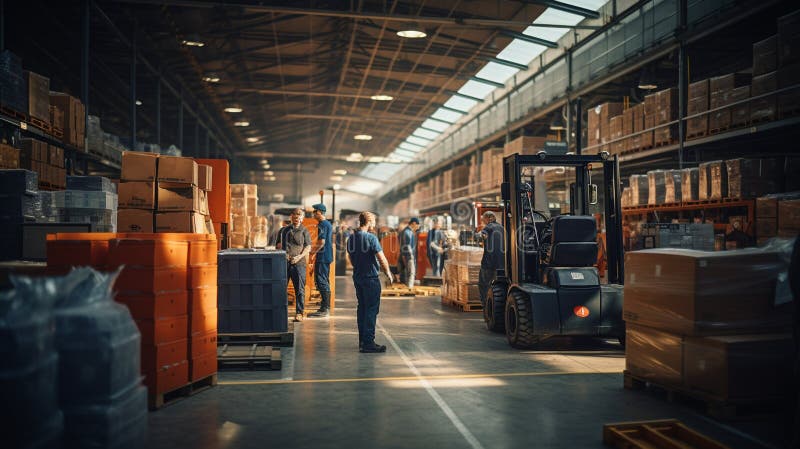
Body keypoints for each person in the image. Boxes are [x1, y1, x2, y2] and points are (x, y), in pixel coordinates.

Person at [347, 211, 395, 353]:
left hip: (358, 277)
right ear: (369, 222)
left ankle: (362, 340)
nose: (375, 224)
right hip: (370, 279)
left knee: (362, 308)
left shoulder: (351, 238)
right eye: (374, 221)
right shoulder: (371, 238)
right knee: (371, 310)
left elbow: (350, 258)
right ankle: (368, 343)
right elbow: (381, 258)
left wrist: (358, 266)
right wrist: (388, 273)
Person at [276, 208, 311, 322]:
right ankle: (280, 312)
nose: (297, 219)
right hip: (284, 263)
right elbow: (278, 245)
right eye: (295, 217)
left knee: (299, 289)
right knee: (281, 288)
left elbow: (308, 247)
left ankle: (299, 313)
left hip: (299, 263)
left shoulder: (304, 231)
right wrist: (283, 254)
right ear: (291, 217)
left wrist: (299, 257)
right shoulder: (283, 230)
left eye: (299, 217)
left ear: (302, 218)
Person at [309, 203, 333, 317]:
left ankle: (325, 308)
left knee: (321, 280)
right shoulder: (327, 224)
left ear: (320, 212)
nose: (313, 213)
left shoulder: (322, 224)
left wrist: (312, 252)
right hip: (326, 256)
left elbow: (321, 242)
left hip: (323, 257)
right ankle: (324, 306)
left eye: (315, 211)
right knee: (323, 280)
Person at [478, 211, 505, 308]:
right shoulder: (502, 228)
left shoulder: (489, 227)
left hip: (488, 262)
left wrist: (478, 234)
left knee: (483, 284)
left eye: (483, 220)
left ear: (488, 218)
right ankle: (495, 306)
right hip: (502, 264)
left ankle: (485, 305)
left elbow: (481, 235)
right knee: (496, 286)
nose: (483, 222)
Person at [397, 217, 420, 288]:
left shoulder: (404, 231)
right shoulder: (408, 232)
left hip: (403, 255)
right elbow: (407, 246)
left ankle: (405, 289)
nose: (418, 227)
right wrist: (411, 256)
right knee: (411, 273)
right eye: (417, 225)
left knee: (404, 274)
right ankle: (409, 289)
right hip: (408, 256)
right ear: (414, 223)